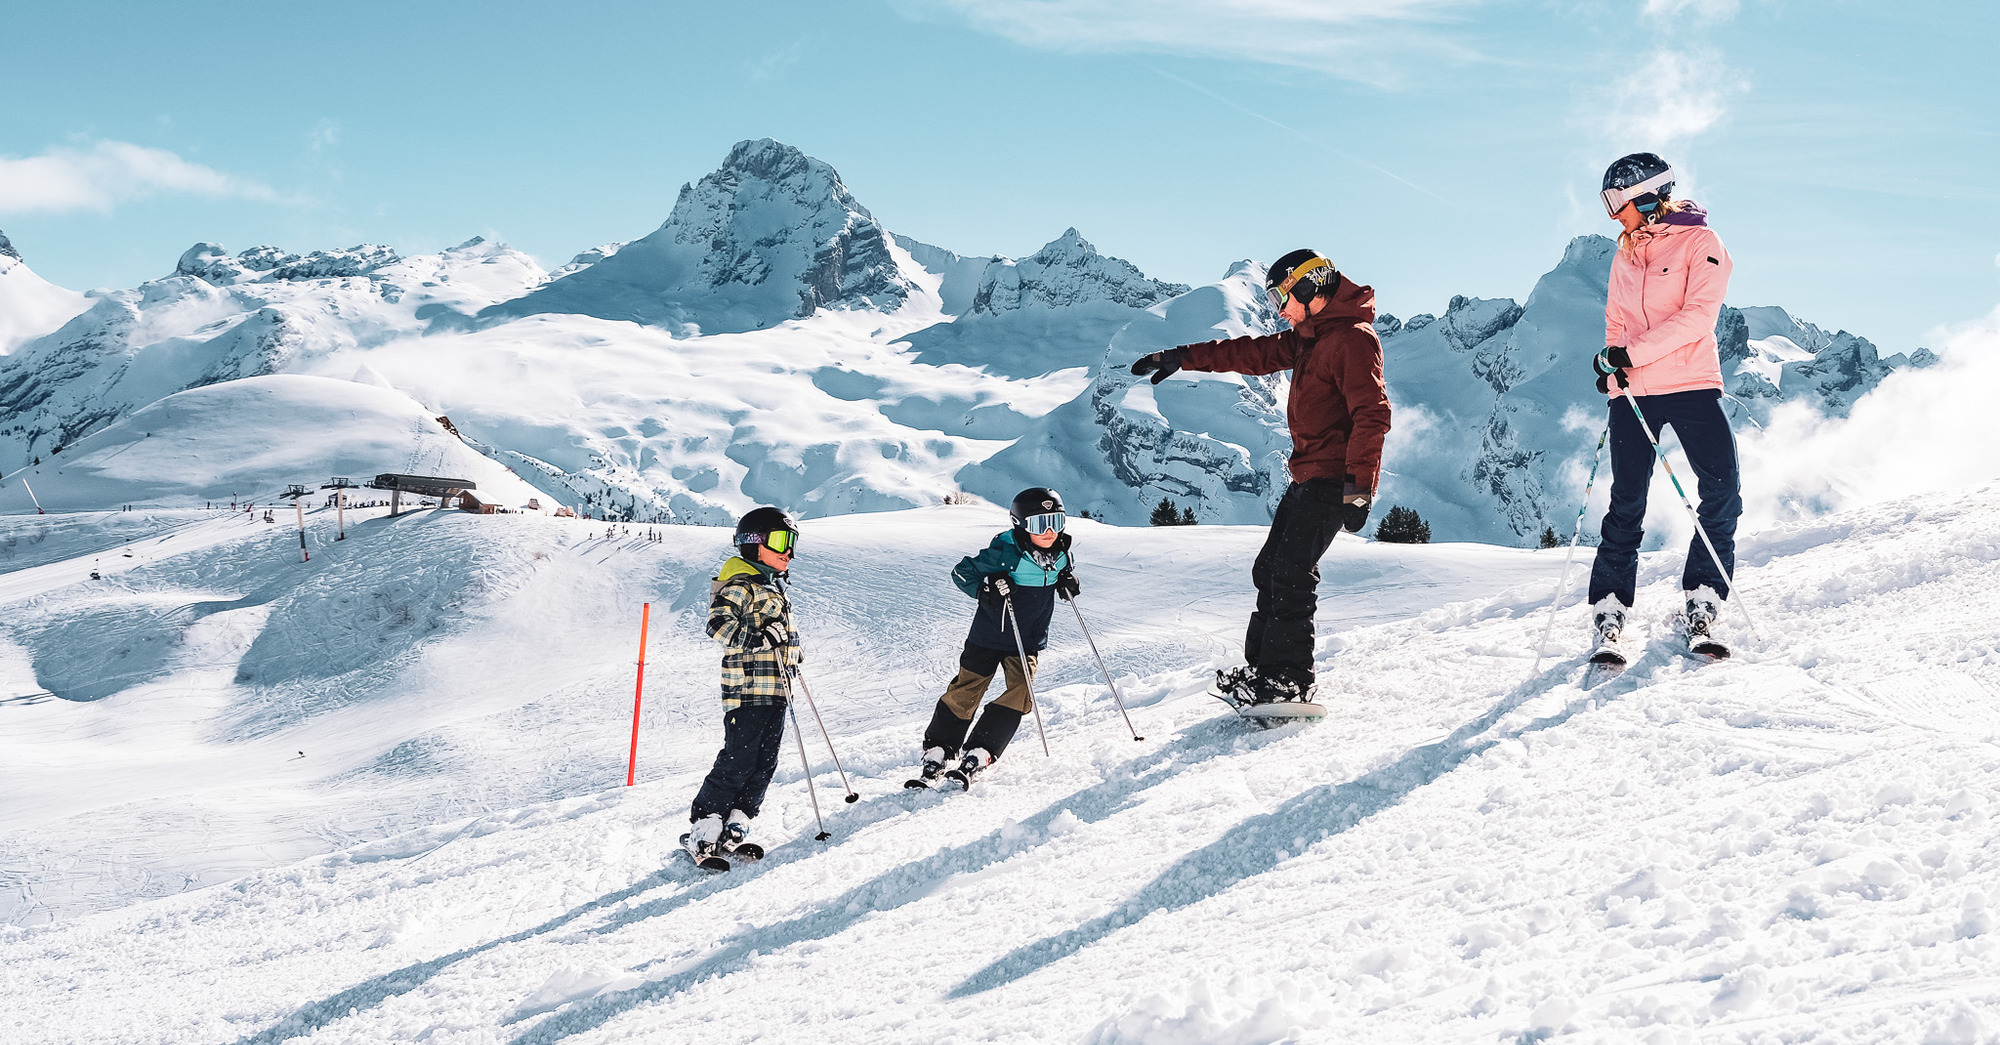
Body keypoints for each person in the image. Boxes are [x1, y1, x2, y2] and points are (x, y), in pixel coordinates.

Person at [1130, 250, 1391, 705]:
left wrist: (1358, 489)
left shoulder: (1351, 339)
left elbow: (1372, 415)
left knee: (1292, 571)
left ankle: (1288, 680)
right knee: (1269, 568)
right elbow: (1252, 352)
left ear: (1312, 287)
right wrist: (1181, 358)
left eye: (1282, 296)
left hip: (1332, 479)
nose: (1279, 309)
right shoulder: (1310, 337)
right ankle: (1265, 671)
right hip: (1308, 475)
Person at [1585, 152, 1739, 662]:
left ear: (1647, 195)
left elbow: (1699, 317)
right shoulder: (1624, 253)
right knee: (1627, 502)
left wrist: (1633, 354)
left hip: (1692, 382)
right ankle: (1609, 613)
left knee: (1721, 491)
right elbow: (1615, 320)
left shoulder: (1703, 243)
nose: (1613, 214)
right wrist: (1612, 366)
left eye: (1616, 201)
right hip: (1635, 393)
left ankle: (1703, 602)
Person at [914, 487, 1078, 784]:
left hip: (1026, 640)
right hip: (987, 636)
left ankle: (982, 748)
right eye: (1041, 524)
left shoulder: (1062, 553)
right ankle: (939, 747)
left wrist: (1067, 582)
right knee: (967, 690)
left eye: (1056, 521)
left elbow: (1059, 575)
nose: (1050, 531)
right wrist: (985, 589)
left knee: (1021, 693)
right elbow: (962, 573)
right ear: (1021, 525)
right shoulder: (1005, 552)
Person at [687, 506, 803, 861]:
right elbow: (718, 626)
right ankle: (706, 824)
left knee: (765, 761)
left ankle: (738, 820)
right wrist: (760, 639)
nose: (788, 551)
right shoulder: (741, 585)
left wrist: (792, 656)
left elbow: (781, 634)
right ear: (754, 543)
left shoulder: (771, 587)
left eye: (792, 542)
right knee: (738, 759)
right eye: (782, 540)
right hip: (747, 691)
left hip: (776, 691)